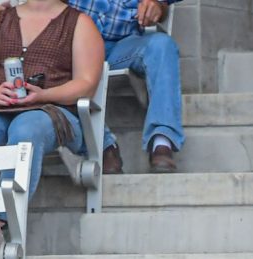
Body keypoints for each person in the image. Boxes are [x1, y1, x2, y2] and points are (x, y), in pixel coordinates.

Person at [0, 0, 103, 192]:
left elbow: (86, 84)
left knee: (26, 128)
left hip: (54, 112)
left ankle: (7, 217)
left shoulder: (79, 22)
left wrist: (45, 95)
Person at [67, 0, 184, 171]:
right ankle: (105, 146)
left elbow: (162, 6)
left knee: (162, 45)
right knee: (48, 62)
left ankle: (161, 140)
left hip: (122, 46)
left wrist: (158, 4)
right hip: (74, 46)